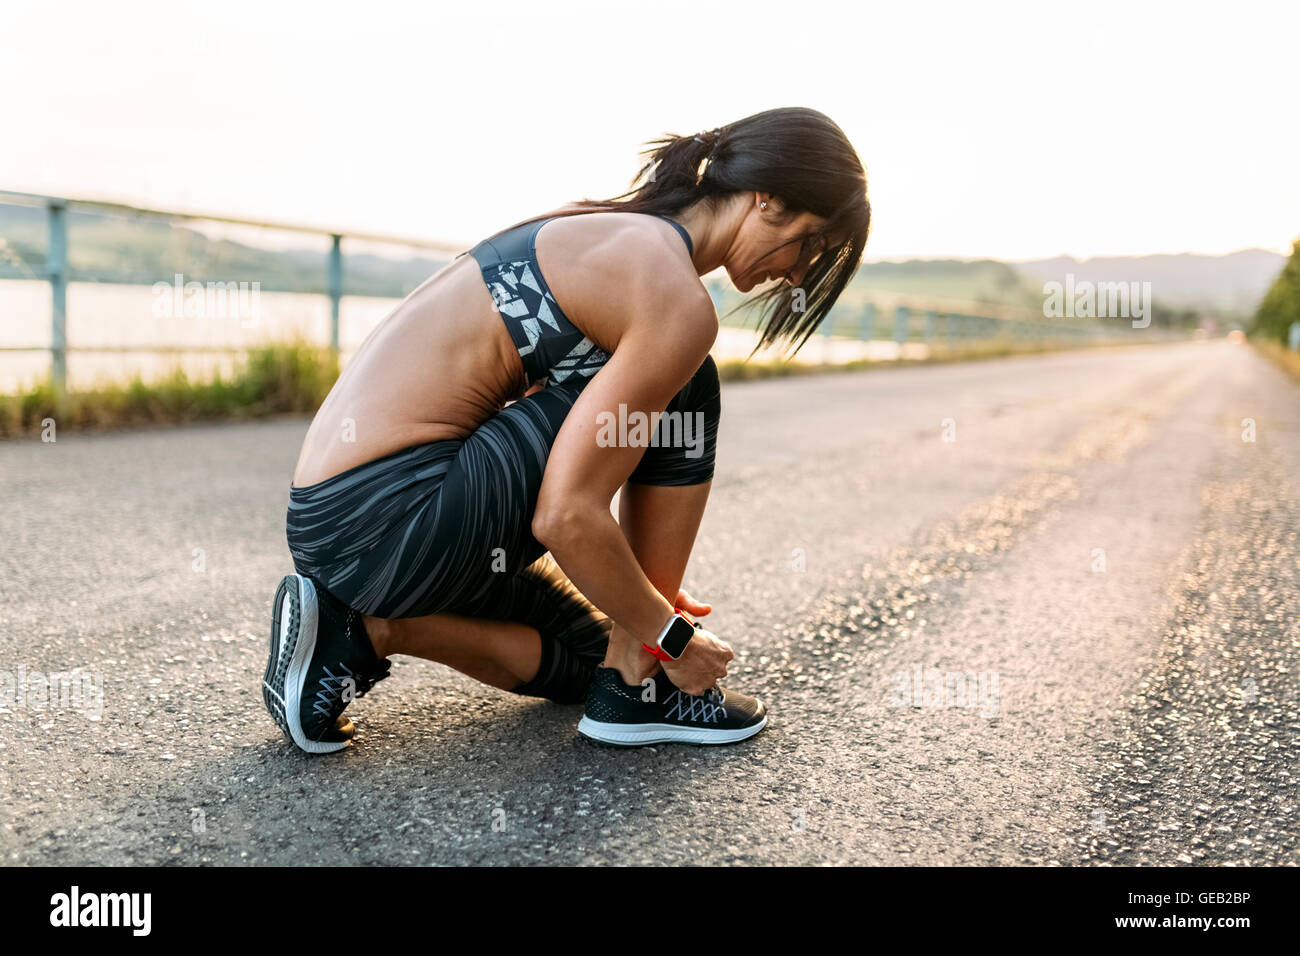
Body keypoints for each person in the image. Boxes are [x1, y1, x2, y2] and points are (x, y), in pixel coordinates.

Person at [261, 106, 871, 754]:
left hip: (336, 520)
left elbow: (543, 423)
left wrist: (634, 592)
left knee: (588, 662)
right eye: (812, 245)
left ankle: (361, 631)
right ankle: (643, 681)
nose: (801, 274)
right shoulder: (672, 294)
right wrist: (671, 637)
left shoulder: (596, 224)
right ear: (769, 200)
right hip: (392, 512)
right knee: (691, 383)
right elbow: (564, 515)